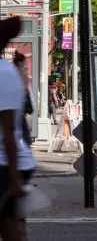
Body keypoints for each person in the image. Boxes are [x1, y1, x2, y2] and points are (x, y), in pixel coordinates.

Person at [0, 17, 36, 241]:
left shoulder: (3, 73)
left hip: (5, 165)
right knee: (11, 228)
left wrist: (13, 176)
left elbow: (9, 130)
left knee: (12, 229)